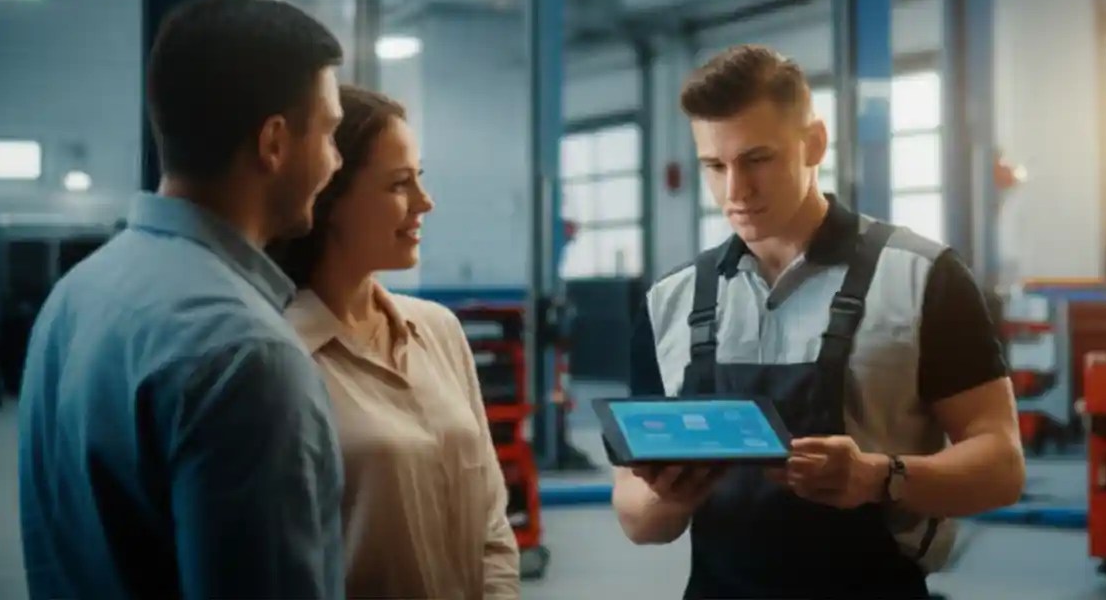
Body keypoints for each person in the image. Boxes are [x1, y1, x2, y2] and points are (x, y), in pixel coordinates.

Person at [611, 45, 1025, 599]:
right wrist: (669, 498)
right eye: (715, 166)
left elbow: (1002, 465)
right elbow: (635, 516)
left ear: (814, 143)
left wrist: (879, 477)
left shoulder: (923, 278)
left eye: (757, 159)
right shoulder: (670, 303)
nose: (735, 192)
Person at [17, 0, 347, 600]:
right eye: (329, 133)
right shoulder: (247, 354)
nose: (335, 161)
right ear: (274, 142)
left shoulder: (77, 295)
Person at [269, 86, 520, 599]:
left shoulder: (439, 330)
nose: (424, 203)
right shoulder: (278, 358)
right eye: (400, 184)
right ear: (329, 198)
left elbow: (492, 522)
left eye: (419, 179)